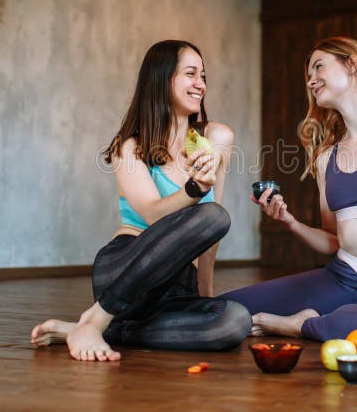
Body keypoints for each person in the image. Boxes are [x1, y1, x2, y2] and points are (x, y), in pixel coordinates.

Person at [31, 40, 251, 361]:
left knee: (234, 321)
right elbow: (152, 215)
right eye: (191, 74)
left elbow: (208, 239)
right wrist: (193, 190)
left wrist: (204, 296)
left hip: (175, 286)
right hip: (124, 269)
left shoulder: (215, 138)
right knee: (215, 215)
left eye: (203, 76)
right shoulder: (129, 148)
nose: (201, 84)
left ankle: (99, 328)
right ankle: (95, 319)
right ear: (162, 80)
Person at [220, 37, 357, 343]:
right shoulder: (326, 158)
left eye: (318, 66)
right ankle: (320, 322)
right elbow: (335, 241)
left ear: (351, 64)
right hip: (340, 278)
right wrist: (290, 223)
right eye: (308, 74)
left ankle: (297, 326)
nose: (311, 80)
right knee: (223, 308)